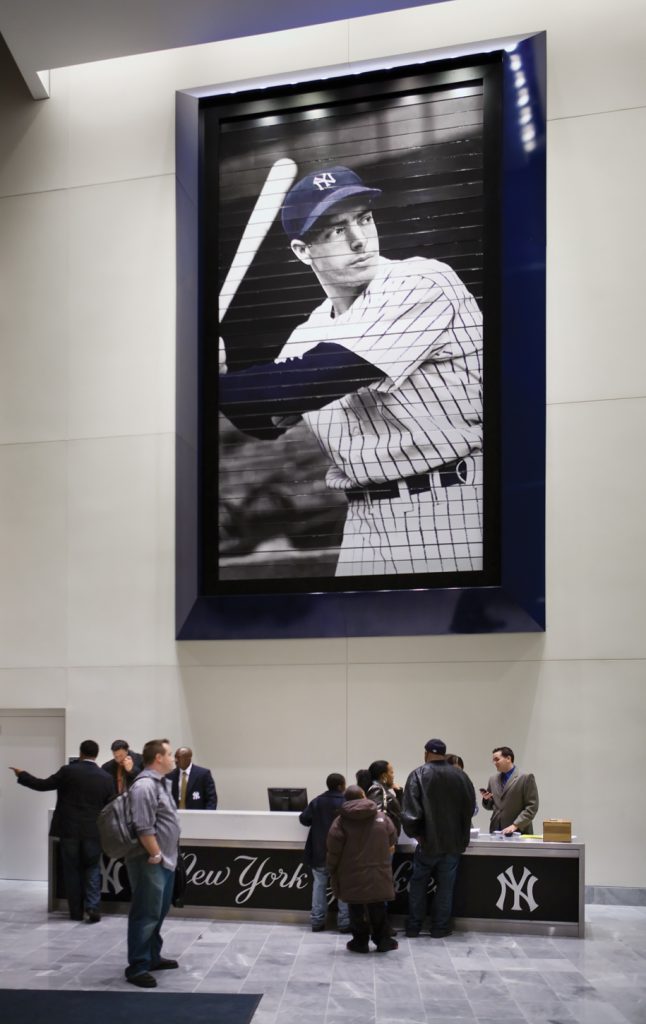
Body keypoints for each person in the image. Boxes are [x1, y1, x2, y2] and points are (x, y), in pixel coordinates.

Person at [218, 164, 483, 577]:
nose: (360, 240)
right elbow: (263, 417)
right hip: (365, 521)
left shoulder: (422, 281)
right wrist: (216, 374)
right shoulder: (310, 333)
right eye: (335, 230)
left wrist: (208, 384)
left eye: (364, 219)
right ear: (303, 251)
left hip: (452, 499)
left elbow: (322, 376)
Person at [9, 740, 113, 922]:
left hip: (69, 830)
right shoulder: (105, 777)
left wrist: (22, 774)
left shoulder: (68, 771)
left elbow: (42, 785)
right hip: (93, 832)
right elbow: (110, 805)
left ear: (81, 753)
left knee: (72, 870)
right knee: (92, 869)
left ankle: (75, 912)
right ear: (96, 755)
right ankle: (93, 907)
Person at [402, 737, 476, 938]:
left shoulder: (418, 774)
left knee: (418, 884)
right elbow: (470, 808)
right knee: (446, 886)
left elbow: (410, 812)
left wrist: (417, 835)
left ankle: (414, 926)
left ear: (426, 753)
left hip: (427, 844)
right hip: (452, 844)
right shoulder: (461, 777)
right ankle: (440, 927)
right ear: (444, 753)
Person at [125, 738, 180, 988]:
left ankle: (152, 956)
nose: (173, 759)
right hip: (151, 860)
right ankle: (137, 966)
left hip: (164, 861)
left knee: (157, 912)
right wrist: (156, 853)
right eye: (169, 754)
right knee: (145, 913)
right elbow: (143, 826)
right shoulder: (144, 786)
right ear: (158, 757)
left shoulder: (161, 784)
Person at [326, 785, 398, 953]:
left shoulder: (340, 822)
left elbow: (333, 849)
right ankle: (383, 941)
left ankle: (360, 942)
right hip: (378, 871)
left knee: (356, 908)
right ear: (364, 795)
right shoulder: (382, 817)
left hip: (351, 873)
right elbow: (392, 837)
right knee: (378, 906)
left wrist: (331, 868)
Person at [298, 773, 350, 933]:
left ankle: (317, 921)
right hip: (341, 854)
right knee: (342, 887)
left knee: (319, 886)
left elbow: (304, 819)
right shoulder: (347, 803)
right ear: (341, 786)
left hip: (319, 853)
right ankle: (344, 923)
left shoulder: (317, 801)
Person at [481, 745, 539, 836]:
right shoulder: (492, 779)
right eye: (493, 760)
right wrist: (486, 799)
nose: (494, 762)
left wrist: (516, 825)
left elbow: (532, 806)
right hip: (496, 830)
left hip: (519, 831)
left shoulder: (526, 778)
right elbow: (492, 806)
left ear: (508, 758)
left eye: (497, 759)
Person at [364, 760, 403, 839]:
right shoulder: (377, 789)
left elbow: (397, 812)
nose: (393, 776)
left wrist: (399, 794)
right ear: (384, 776)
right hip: (384, 840)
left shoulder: (381, 789)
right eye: (391, 772)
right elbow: (377, 818)